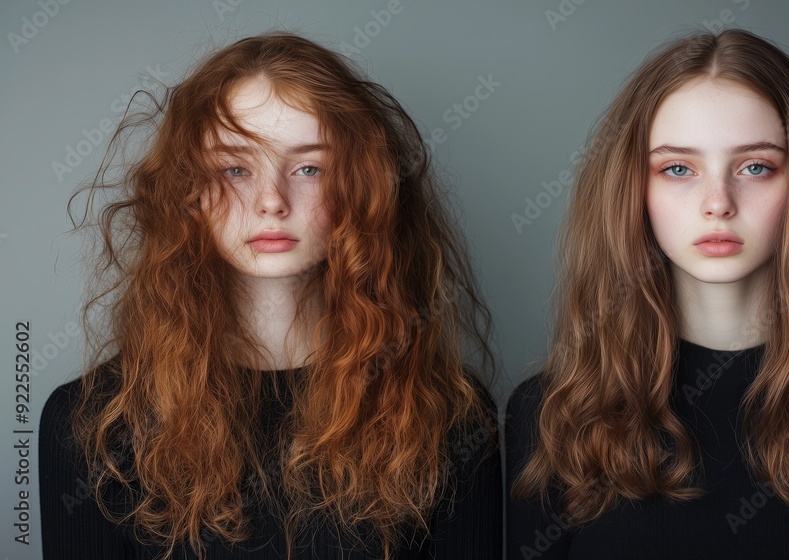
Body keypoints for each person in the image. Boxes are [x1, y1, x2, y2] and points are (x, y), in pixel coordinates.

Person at [506, 29, 789, 559]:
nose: (718, 202)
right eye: (679, 169)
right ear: (633, 189)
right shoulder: (550, 418)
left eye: (755, 167)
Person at [40, 32, 501, 560]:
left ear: (362, 188)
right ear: (189, 192)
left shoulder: (450, 417)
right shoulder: (92, 425)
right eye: (235, 169)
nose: (271, 201)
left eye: (309, 168)